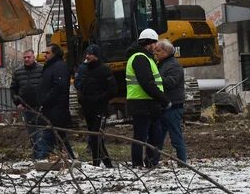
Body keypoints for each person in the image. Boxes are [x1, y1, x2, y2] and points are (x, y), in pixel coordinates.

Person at [125, 28, 170, 168]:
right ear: (149, 43)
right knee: (142, 137)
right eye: (155, 43)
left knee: (152, 136)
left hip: (148, 104)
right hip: (142, 104)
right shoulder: (140, 58)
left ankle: (150, 163)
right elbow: (147, 83)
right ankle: (139, 164)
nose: (156, 47)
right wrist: (164, 99)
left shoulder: (144, 58)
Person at [74, 44, 117, 167]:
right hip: (87, 108)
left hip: (100, 108)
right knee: (93, 137)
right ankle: (103, 164)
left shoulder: (104, 70)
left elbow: (112, 90)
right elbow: (78, 83)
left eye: (91, 54)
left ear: (96, 56)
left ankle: (99, 164)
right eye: (87, 54)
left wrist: (100, 98)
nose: (88, 56)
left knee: (96, 137)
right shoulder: (83, 69)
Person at [37, 43, 75, 159]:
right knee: (61, 139)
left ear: (55, 54)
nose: (45, 55)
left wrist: (45, 100)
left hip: (56, 110)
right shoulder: (50, 67)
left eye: (48, 53)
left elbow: (59, 87)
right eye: (44, 53)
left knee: (46, 139)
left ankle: (41, 160)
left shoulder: (59, 67)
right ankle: (71, 159)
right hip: (50, 110)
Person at [154, 40, 187, 164]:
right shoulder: (161, 64)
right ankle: (153, 162)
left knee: (176, 138)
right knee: (157, 138)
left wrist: (154, 79)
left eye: (158, 51)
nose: (155, 53)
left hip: (173, 107)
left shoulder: (174, 65)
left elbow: (170, 82)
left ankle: (182, 163)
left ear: (166, 51)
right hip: (163, 106)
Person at [9, 49, 45, 159]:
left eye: (29, 57)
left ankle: (42, 156)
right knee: (32, 133)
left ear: (34, 57)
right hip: (26, 107)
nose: (26, 59)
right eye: (24, 57)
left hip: (40, 106)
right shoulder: (18, 72)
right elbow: (13, 89)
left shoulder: (42, 69)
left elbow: (46, 86)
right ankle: (37, 156)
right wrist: (17, 103)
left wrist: (45, 101)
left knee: (41, 132)